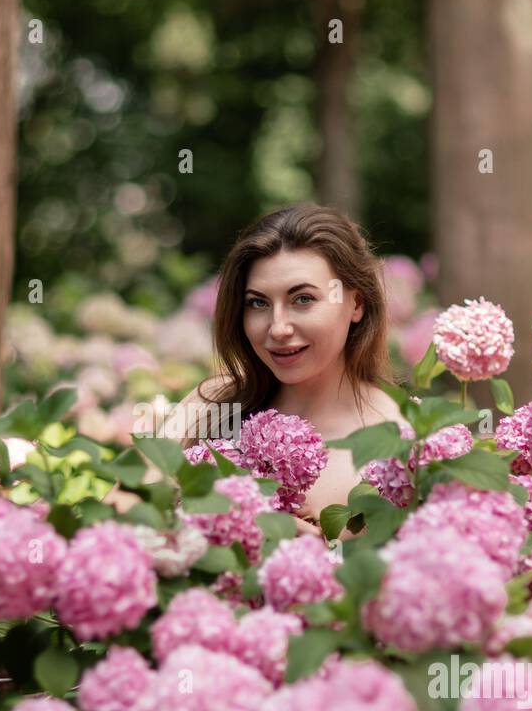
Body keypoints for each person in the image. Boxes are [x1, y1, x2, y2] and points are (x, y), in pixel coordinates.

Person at [113, 203, 406, 538]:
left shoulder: (395, 445)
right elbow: (117, 511)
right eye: (258, 303)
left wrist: (321, 551)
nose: (277, 328)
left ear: (357, 303)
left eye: (303, 299)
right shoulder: (214, 403)